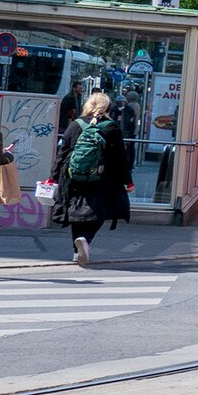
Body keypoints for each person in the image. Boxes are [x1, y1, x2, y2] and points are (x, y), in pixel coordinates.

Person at [50, 91, 131, 265]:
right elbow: (120, 157)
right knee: (99, 211)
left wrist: (54, 177)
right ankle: (86, 239)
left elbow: (62, 153)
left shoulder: (75, 125)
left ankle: (76, 249)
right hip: (103, 177)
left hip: (73, 177)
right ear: (108, 108)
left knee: (75, 211)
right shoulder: (111, 127)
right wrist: (128, 180)